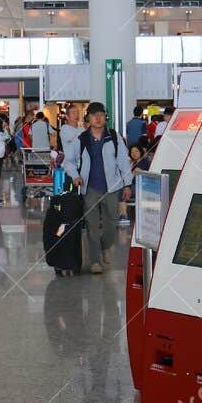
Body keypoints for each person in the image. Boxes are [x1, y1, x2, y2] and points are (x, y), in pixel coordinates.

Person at [68, 101, 132, 275]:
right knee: (92, 225)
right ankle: (95, 260)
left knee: (112, 223)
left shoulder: (114, 137)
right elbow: (69, 161)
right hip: (90, 189)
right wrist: (75, 175)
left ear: (105, 117)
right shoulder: (81, 139)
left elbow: (123, 160)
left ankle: (105, 246)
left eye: (101, 115)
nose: (98, 118)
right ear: (88, 118)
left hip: (112, 187)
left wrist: (127, 183)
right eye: (94, 115)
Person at [58, 103, 85, 169]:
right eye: (73, 113)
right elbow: (74, 141)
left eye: (77, 112)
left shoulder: (82, 129)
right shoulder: (65, 128)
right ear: (67, 116)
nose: (76, 115)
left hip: (81, 165)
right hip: (70, 167)